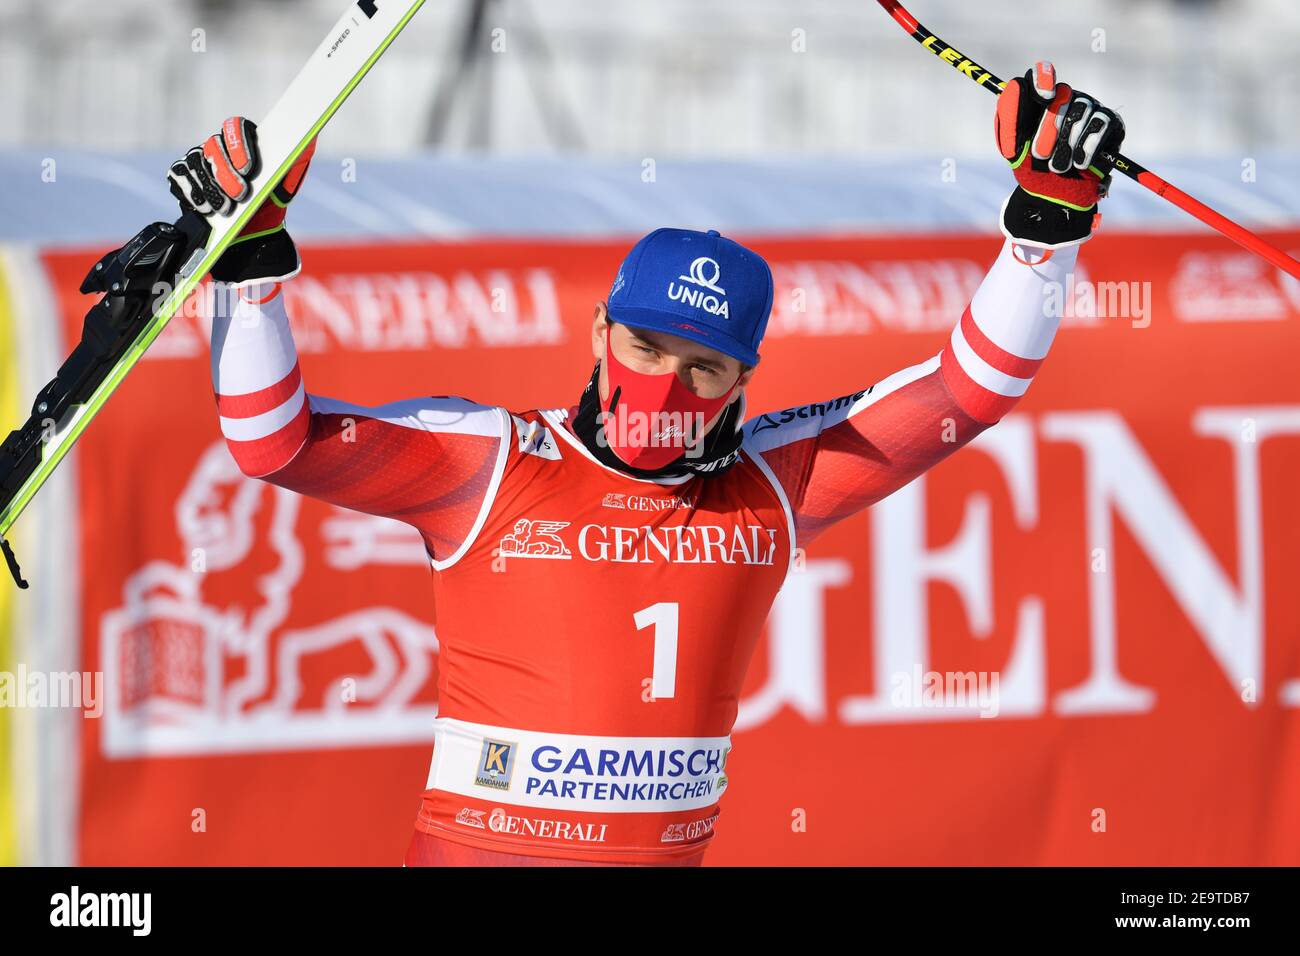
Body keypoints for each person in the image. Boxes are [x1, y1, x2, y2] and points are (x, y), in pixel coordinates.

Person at [168, 63, 1124, 866]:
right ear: (599, 333)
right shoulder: (492, 461)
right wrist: (250, 267)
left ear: (747, 377)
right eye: (646, 351)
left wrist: (1043, 230)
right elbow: (273, 442)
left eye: (704, 367)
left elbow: (966, 394)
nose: (668, 389)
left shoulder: (774, 483)